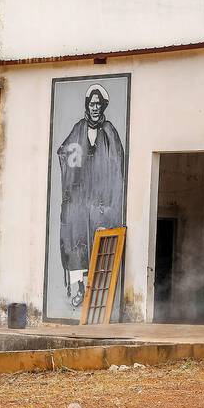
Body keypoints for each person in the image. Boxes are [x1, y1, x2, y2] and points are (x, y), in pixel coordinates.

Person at [57, 83, 126, 307]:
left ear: (103, 106)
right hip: (79, 199)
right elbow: (64, 152)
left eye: (98, 104)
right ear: (88, 105)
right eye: (92, 103)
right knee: (75, 240)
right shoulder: (78, 128)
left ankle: (98, 293)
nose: (95, 107)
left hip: (101, 201)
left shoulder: (110, 131)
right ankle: (78, 289)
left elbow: (117, 164)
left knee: (100, 241)